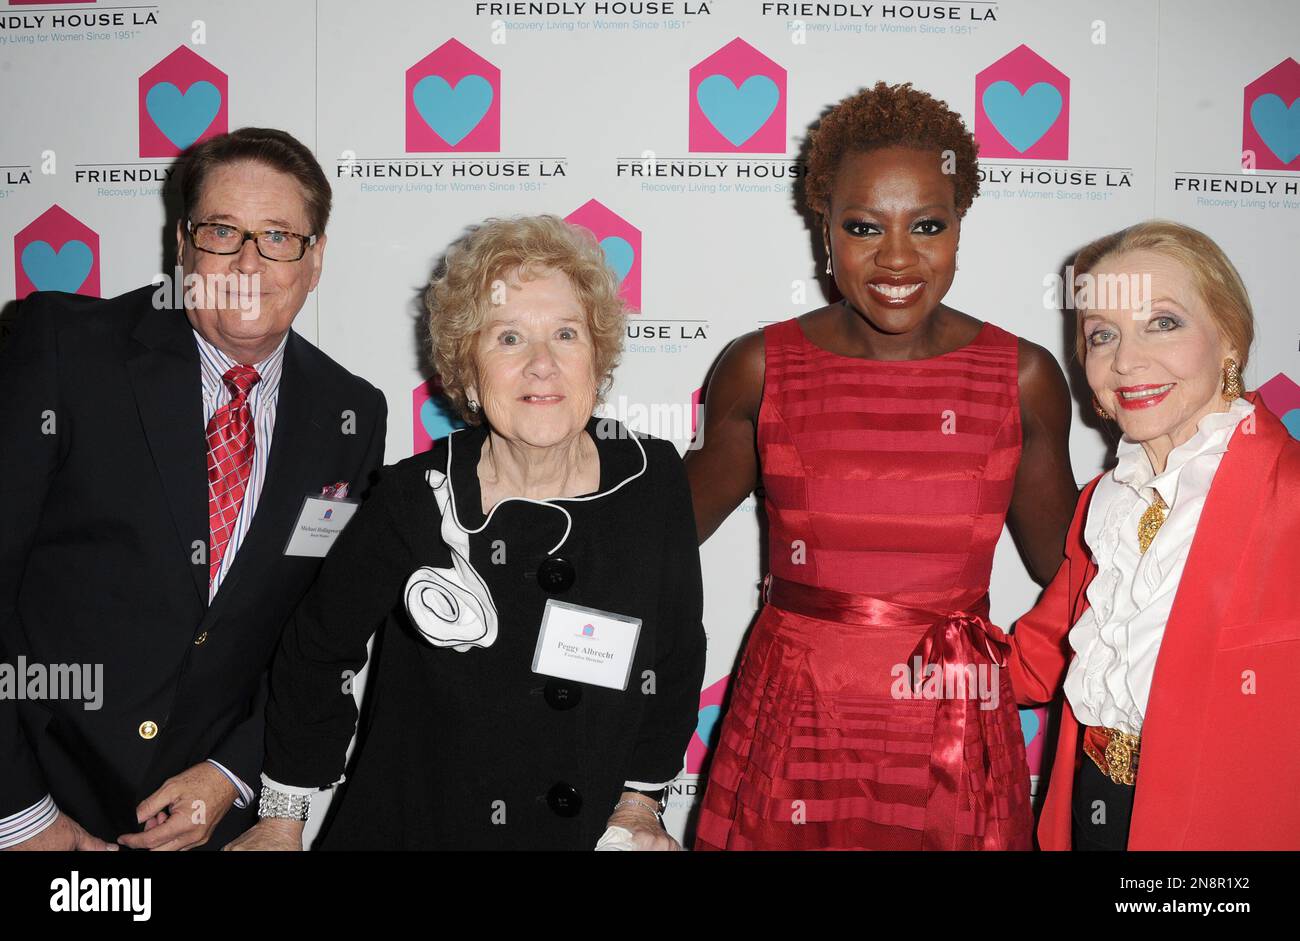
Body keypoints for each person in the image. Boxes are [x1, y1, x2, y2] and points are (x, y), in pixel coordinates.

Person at [225, 215, 706, 851]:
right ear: (469, 374)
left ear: (598, 359)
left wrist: (642, 802)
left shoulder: (652, 480)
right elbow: (316, 652)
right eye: (509, 338)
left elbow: (673, 656)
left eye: (566, 334)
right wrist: (282, 819)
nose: (542, 365)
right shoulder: (414, 498)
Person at [689, 82, 1079, 850]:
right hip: (798, 719)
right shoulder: (761, 366)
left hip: (952, 717)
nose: (897, 257)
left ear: (961, 226)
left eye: (928, 225)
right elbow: (663, 531)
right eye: (864, 227)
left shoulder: (1022, 377)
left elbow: (1062, 565)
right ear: (822, 227)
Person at [0, 127, 387, 851]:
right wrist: (20, 815)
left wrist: (231, 773)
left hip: (213, 827)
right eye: (222, 231)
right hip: (36, 805)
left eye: (278, 235)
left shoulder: (351, 413)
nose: (249, 261)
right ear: (183, 243)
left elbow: (319, 635)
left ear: (315, 259)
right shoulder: (65, 347)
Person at [1009, 220, 1300, 850]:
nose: (1127, 361)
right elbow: (1036, 659)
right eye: (1102, 336)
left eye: (1162, 323)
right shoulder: (1105, 502)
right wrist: (883, 659)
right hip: (1093, 810)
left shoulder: (1293, 498)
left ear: (1230, 341)